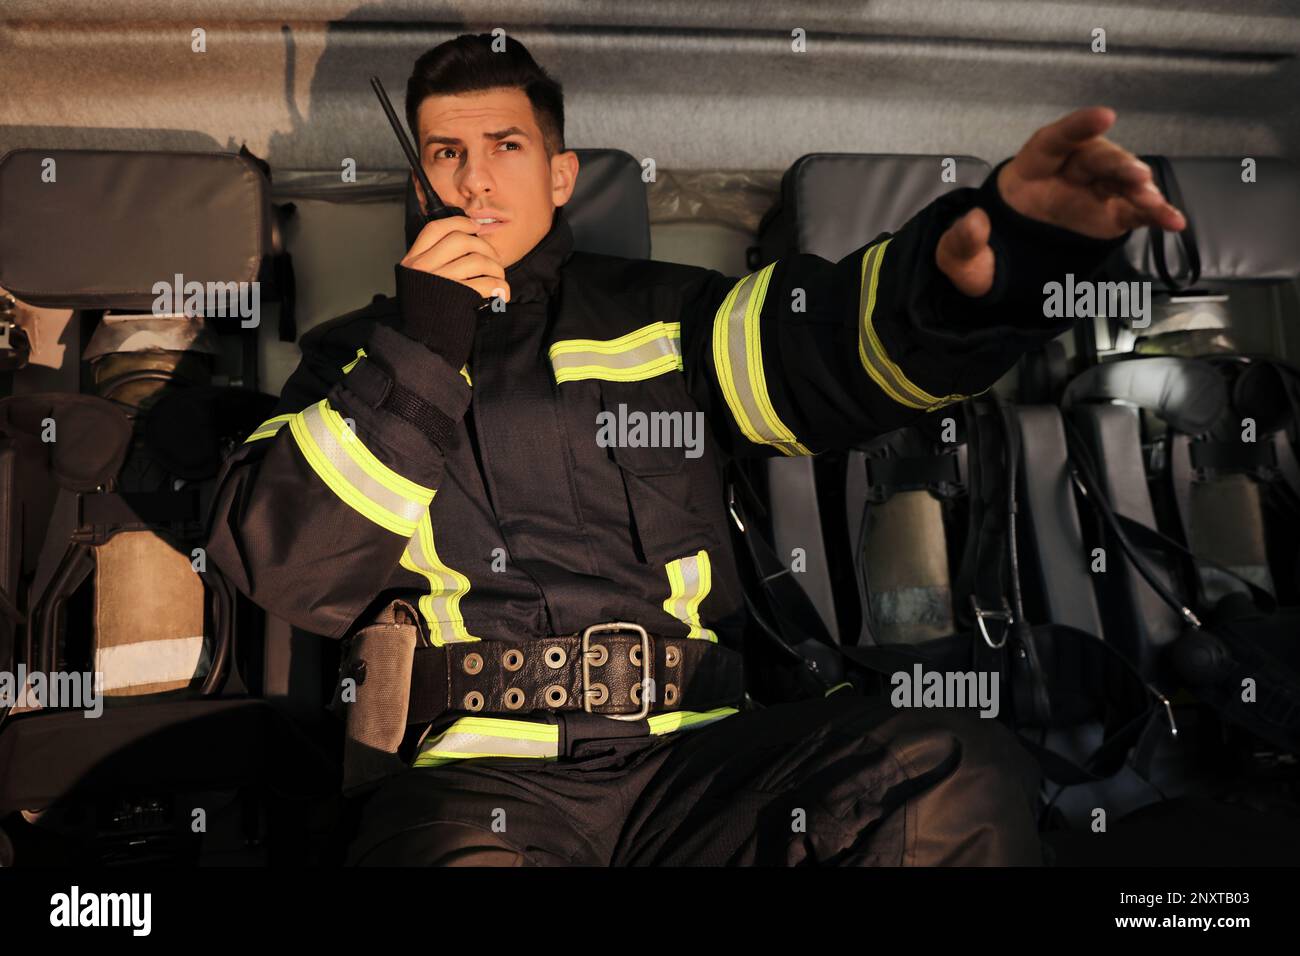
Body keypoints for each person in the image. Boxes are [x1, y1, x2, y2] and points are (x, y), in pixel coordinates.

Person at [205, 32, 1185, 866]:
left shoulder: (663, 311)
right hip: (476, 778)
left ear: (558, 173)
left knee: (950, 770)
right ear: (419, 180)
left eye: (505, 145)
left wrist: (969, 275)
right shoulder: (355, 353)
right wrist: (422, 347)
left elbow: (822, 348)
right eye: (446, 151)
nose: (474, 177)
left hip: (702, 761)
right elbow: (286, 560)